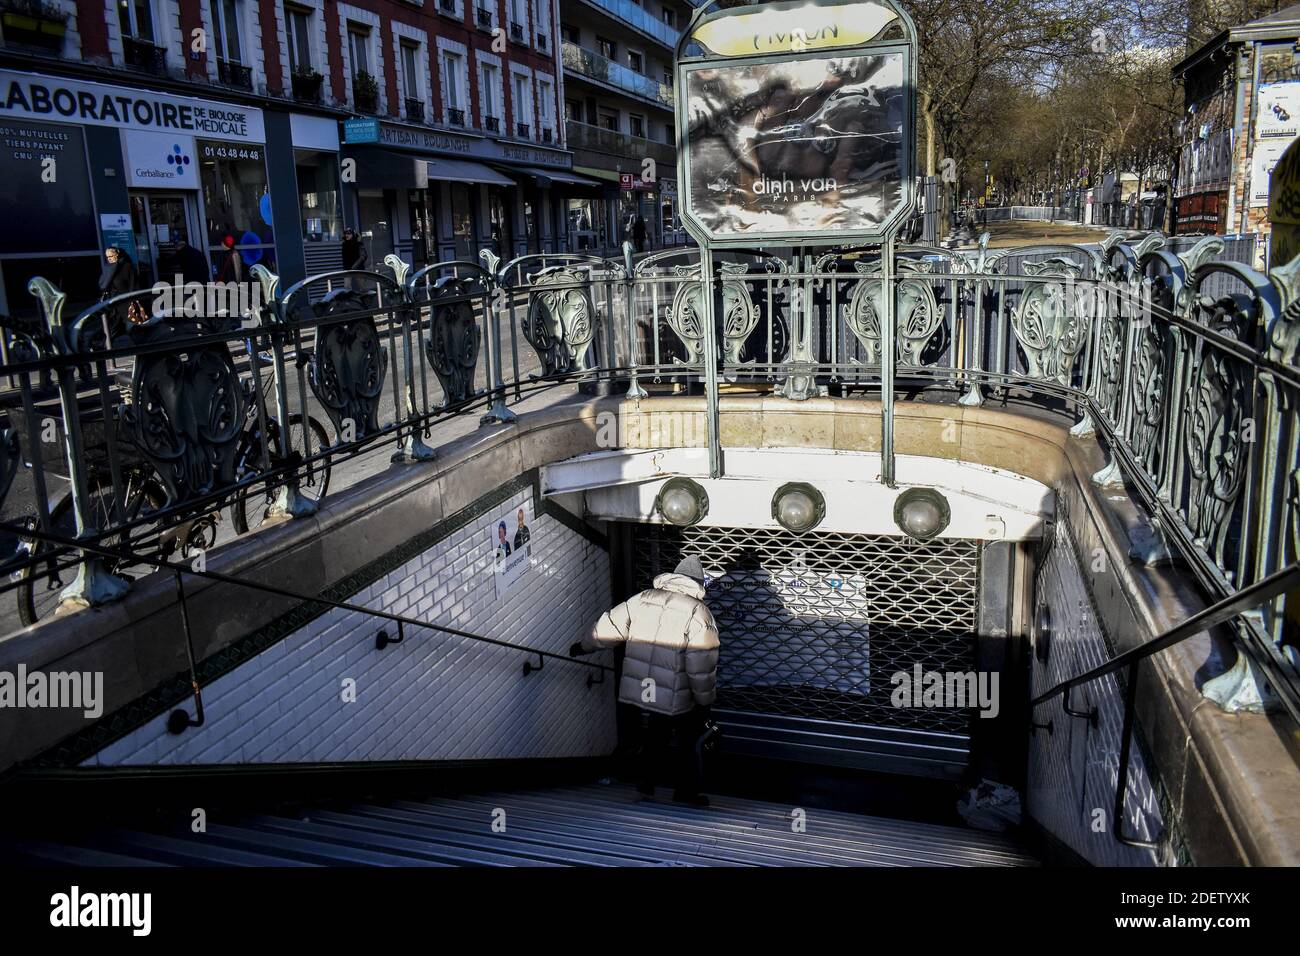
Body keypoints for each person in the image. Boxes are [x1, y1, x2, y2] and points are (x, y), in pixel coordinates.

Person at [570, 555, 720, 806]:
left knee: (654, 733)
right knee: (687, 739)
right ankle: (685, 792)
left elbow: (607, 628)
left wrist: (582, 647)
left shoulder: (642, 599)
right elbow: (701, 665)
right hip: (677, 693)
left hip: (644, 687)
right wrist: (705, 701)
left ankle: (645, 783)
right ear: (698, 582)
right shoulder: (698, 612)